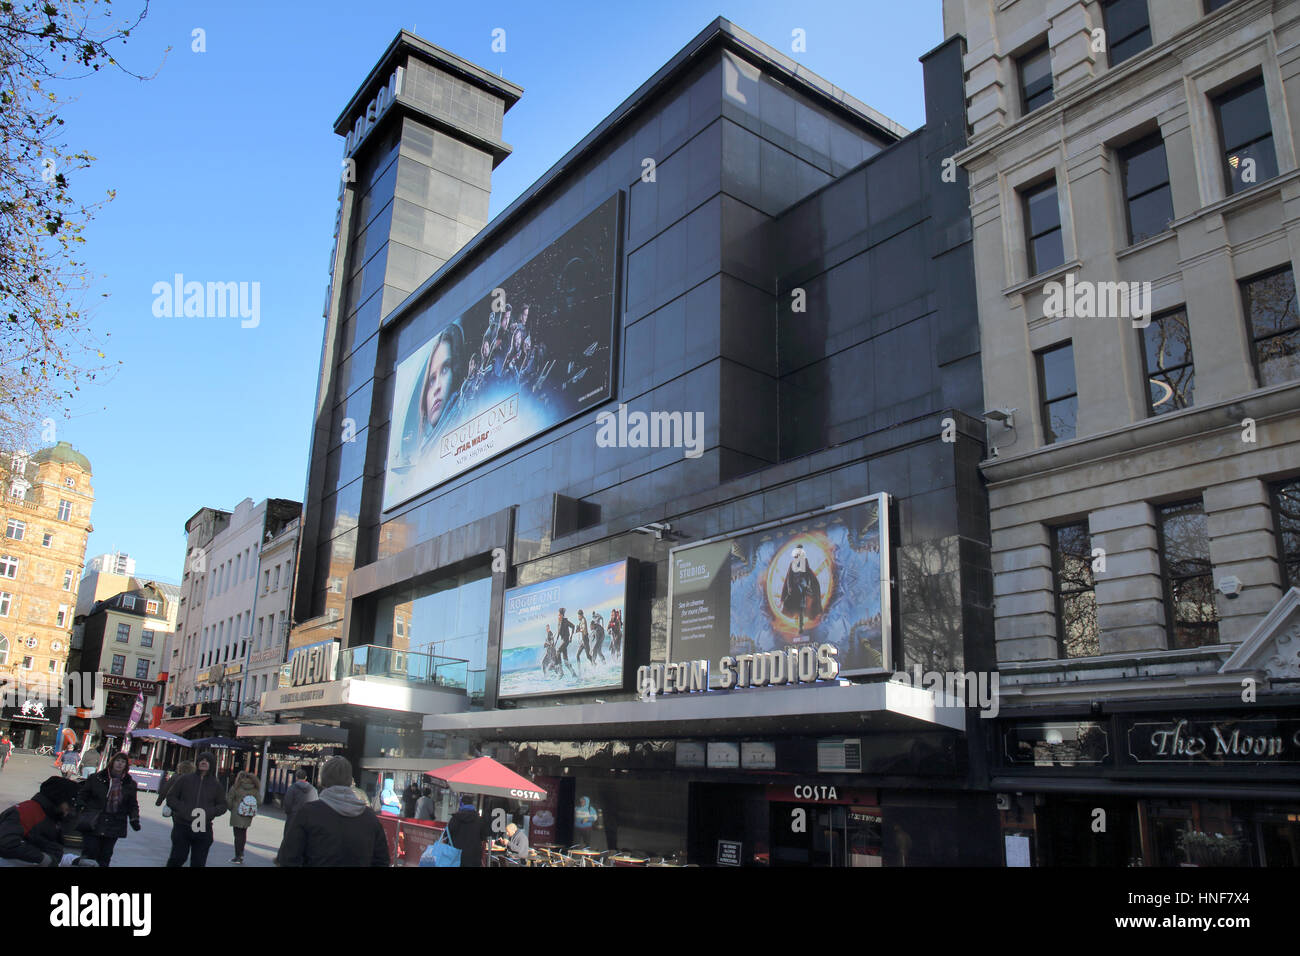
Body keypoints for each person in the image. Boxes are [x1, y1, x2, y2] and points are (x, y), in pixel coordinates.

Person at [277, 756, 389, 867]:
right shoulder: (369, 818)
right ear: (350, 780)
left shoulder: (309, 813)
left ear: (324, 779)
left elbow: (288, 857)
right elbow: (381, 860)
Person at [75, 752, 141, 867]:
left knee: (105, 855)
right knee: (90, 853)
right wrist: (80, 806)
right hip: (94, 821)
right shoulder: (96, 778)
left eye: (123, 762)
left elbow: (132, 804)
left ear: (126, 765)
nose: (120, 764)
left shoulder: (130, 784)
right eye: (118, 761)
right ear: (112, 762)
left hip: (114, 823)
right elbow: (83, 794)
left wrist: (134, 818)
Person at [164, 750, 227, 868]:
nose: (204, 762)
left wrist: (210, 812)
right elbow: (171, 797)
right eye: (201, 760)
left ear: (212, 764)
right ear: (197, 763)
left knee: (198, 862)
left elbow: (223, 805)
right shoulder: (185, 779)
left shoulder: (216, 784)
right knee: (178, 858)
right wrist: (182, 809)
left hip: (203, 826)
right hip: (182, 825)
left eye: (207, 761)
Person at [0, 776, 79, 865]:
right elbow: (7, 844)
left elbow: (52, 852)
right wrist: (41, 858)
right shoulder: (26, 812)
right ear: (59, 799)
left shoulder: (52, 816)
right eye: (70, 802)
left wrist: (74, 860)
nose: (71, 808)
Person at [226, 770, 261, 864]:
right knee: (243, 833)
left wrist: (231, 808)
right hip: (248, 814)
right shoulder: (254, 789)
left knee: (237, 835)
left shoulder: (236, 787)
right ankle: (241, 854)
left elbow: (229, 799)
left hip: (237, 813)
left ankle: (238, 856)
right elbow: (259, 802)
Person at [446, 797, 488, 867]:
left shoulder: (455, 819)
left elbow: (447, 835)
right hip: (474, 856)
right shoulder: (479, 820)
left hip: (456, 855)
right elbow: (484, 837)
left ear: (461, 804)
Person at [281, 768, 318, 838]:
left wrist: (289, 813)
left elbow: (287, 804)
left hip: (293, 819)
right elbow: (316, 806)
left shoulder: (291, 788)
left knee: (289, 840)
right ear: (306, 777)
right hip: (308, 821)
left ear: (296, 777)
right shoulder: (313, 790)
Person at [555, 608, 577, 678]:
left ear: (562, 615)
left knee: (558, 651)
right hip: (563, 640)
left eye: (559, 615)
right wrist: (555, 642)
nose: (558, 616)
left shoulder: (565, 621)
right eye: (558, 615)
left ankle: (561, 672)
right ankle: (573, 673)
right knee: (565, 660)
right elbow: (558, 634)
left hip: (566, 640)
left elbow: (573, 626)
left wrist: (571, 637)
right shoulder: (559, 622)